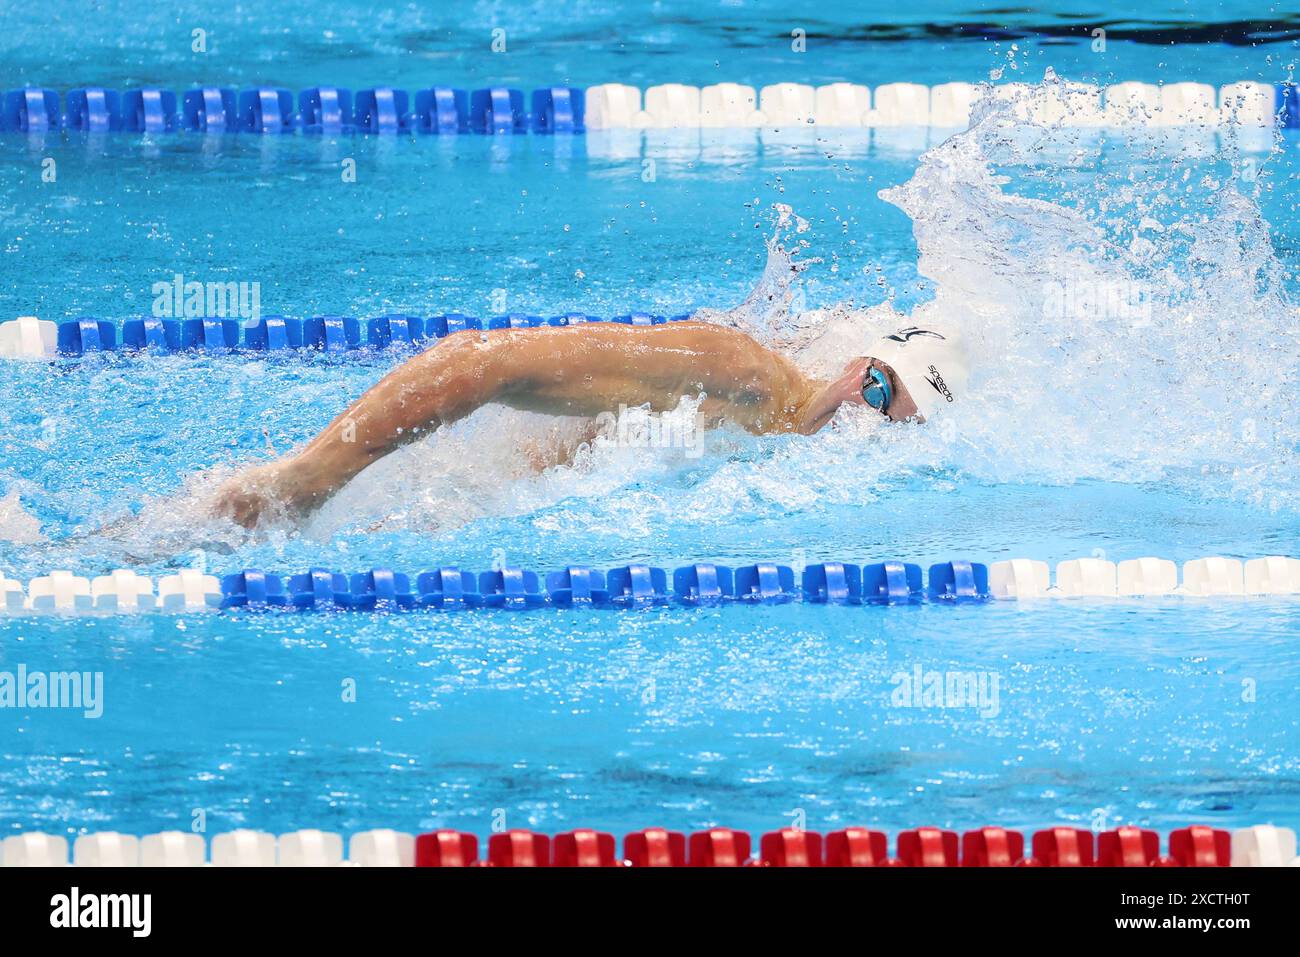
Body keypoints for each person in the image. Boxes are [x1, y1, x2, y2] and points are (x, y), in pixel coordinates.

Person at [211, 319, 969, 528]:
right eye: (872, 389)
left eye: (892, 421)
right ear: (855, 365)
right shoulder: (742, 372)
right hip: (321, 496)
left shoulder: (785, 442)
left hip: (463, 507)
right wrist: (311, 476)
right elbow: (479, 361)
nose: (864, 421)